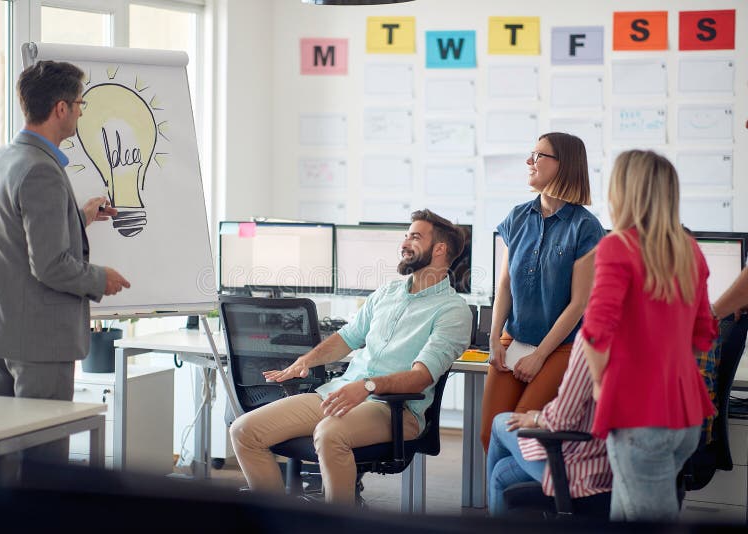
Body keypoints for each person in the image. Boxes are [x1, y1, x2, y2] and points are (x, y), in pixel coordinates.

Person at [230, 209, 472, 504]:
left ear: (440, 249)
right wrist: (305, 361)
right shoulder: (387, 292)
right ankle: (277, 520)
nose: (405, 242)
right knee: (244, 431)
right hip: (341, 394)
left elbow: (421, 377)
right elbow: (347, 338)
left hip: (394, 410)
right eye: (406, 235)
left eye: (415, 237)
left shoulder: (453, 310)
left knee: (329, 433)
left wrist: (367, 386)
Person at [0, 60, 131, 483]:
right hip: (38, 342)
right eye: (79, 104)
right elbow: (51, 265)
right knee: (43, 464)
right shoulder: (43, 170)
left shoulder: (2, 159)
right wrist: (101, 278)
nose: (80, 112)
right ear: (60, 108)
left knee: (0, 456)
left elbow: (17, 238)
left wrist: (78, 217)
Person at [581, 150, 717, 521]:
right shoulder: (690, 250)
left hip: (640, 415)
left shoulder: (617, 246)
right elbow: (704, 333)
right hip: (686, 416)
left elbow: (595, 330)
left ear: (624, 191)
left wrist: (597, 382)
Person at [481, 132, 605, 450]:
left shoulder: (585, 227)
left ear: (564, 165)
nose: (529, 161)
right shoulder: (518, 216)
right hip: (515, 337)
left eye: (538, 156)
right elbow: (505, 285)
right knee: (489, 436)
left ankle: (535, 498)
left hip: (560, 345)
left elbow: (579, 303)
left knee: (520, 434)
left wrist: (539, 355)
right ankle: (505, 500)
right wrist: (495, 337)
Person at [486, 333, 611, 516]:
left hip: (582, 469)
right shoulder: (646, 338)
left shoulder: (593, 340)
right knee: (500, 473)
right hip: (615, 461)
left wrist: (536, 418)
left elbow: (562, 418)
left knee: (500, 422)